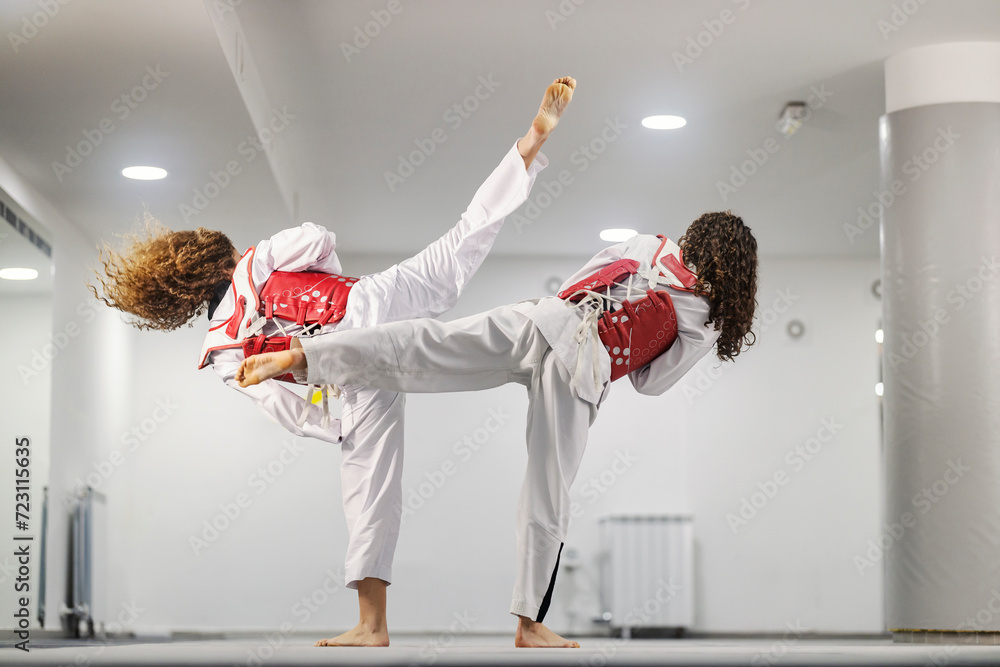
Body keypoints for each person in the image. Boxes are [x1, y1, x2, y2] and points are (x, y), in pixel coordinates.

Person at [90, 77, 577, 647]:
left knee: (369, 487)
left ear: (176, 300)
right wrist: (328, 286)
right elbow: (316, 236)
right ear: (212, 255)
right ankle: (528, 144)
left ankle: (372, 626)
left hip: (337, 368)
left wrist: (335, 423)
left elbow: (281, 406)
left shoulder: (220, 350)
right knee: (461, 244)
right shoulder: (255, 262)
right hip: (369, 298)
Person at [236, 211, 759, 648]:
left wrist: (570, 315)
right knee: (547, 488)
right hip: (584, 365)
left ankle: (308, 356)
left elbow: (585, 277)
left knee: (430, 343)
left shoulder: (650, 243)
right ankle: (529, 625)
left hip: (546, 318)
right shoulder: (703, 317)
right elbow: (651, 383)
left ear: (696, 236)